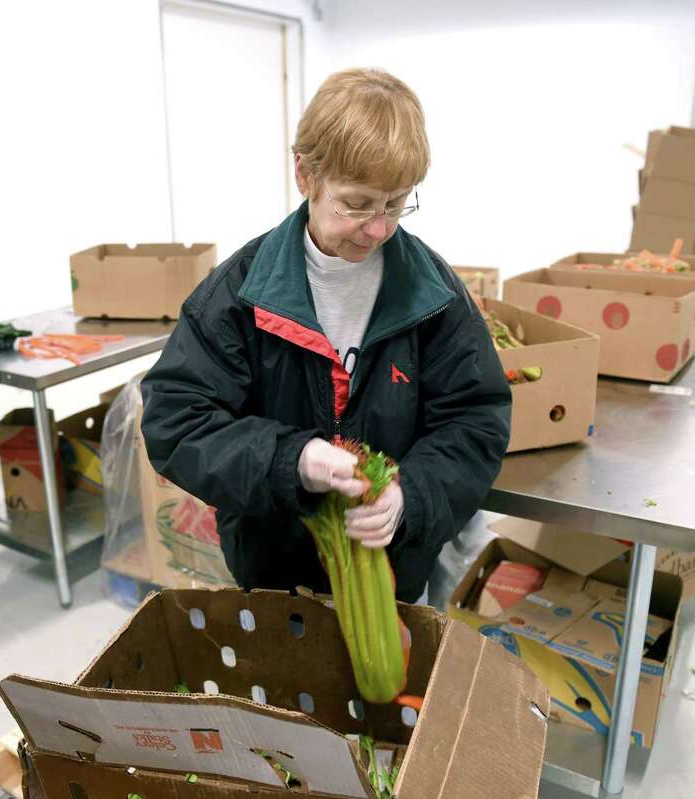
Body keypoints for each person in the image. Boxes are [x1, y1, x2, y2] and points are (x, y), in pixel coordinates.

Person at [139, 68, 511, 603]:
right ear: (305, 175)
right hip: (272, 577)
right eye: (357, 204)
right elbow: (176, 423)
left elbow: (475, 420)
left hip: (395, 580)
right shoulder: (239, 295)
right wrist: (290, 460)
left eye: (396, 203)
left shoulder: (434, 295)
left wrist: (413, 496)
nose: (379, 228)